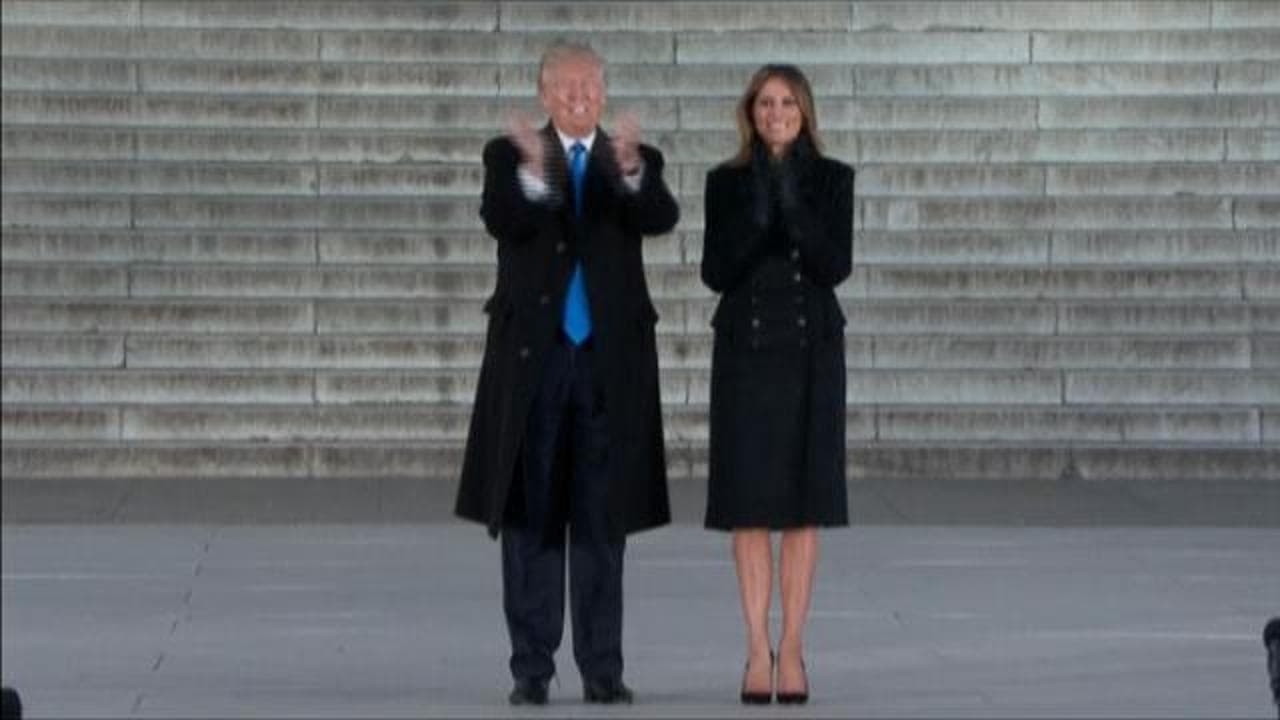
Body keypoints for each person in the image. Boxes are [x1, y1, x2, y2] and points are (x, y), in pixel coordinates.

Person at [454, 41, 680, 706]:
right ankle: (531, 667)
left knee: (602, 523)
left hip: (609, 365)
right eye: (566, 87)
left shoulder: (633, 158)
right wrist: (536, 171)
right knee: (532, 521)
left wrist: (631, 171)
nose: (579, 97)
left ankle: (603, 668)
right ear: (544, 95)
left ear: (603, 93)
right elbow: (504, 219)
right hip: (536, 362)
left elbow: (658, 217)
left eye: (590, 86)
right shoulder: (509, 157)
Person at [700, 64, 854, 705]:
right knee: (748, 509)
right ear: (750, 111)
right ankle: (753, 650)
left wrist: (792, 205)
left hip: (810, 353)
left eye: (787, 102)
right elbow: (716, 271)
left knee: (802, 508)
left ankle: (791, 648)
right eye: (765, 102)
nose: (776, 112)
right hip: (746, 355)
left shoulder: (833, 179)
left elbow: (832, 265)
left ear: (805, 110)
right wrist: (761, 213)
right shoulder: (726, 181)